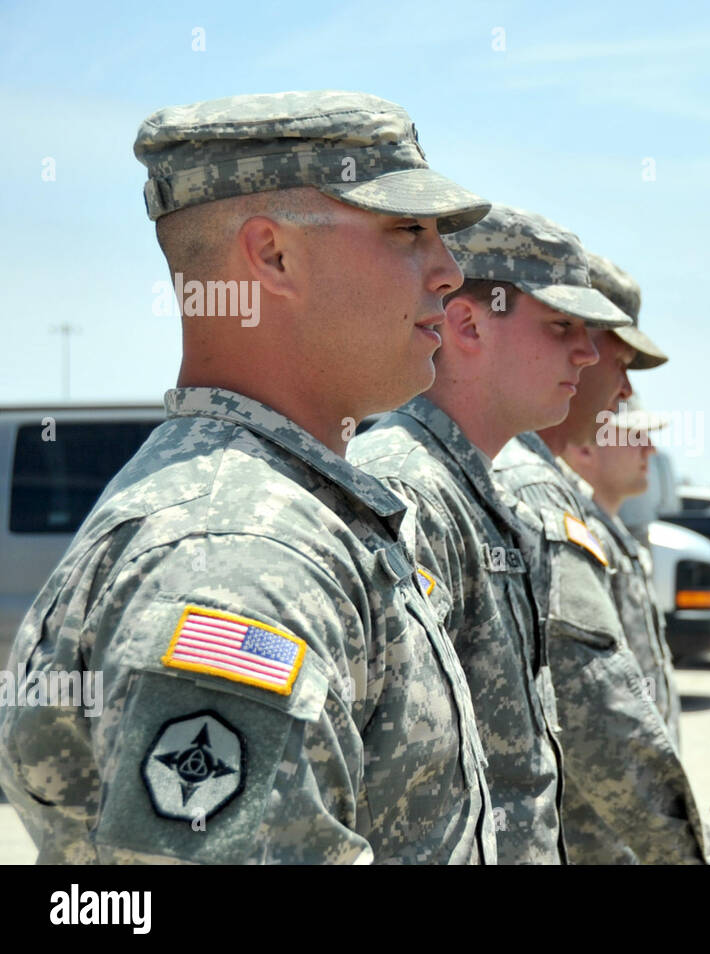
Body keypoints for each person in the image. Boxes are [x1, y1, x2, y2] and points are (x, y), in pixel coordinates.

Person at [0, 91, 496, 864]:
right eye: (408, 231)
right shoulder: (236, 555)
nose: (449, 272)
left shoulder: (276, 509)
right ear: (273, 256)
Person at [347, 205, 633, 864]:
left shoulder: (479, 486)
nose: (588, 353)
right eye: (562, 326)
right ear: (469, 323)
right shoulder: (408, 490)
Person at [492, 247, 710, 864]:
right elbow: (602, 722)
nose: (622, 388)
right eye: (615, 359)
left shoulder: (544, 492)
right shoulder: (530, 495)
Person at [560, 253, 681, 746]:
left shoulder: (610, 536)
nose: (649, 447)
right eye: (632, 434)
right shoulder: (569, 527)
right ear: (588, 445)